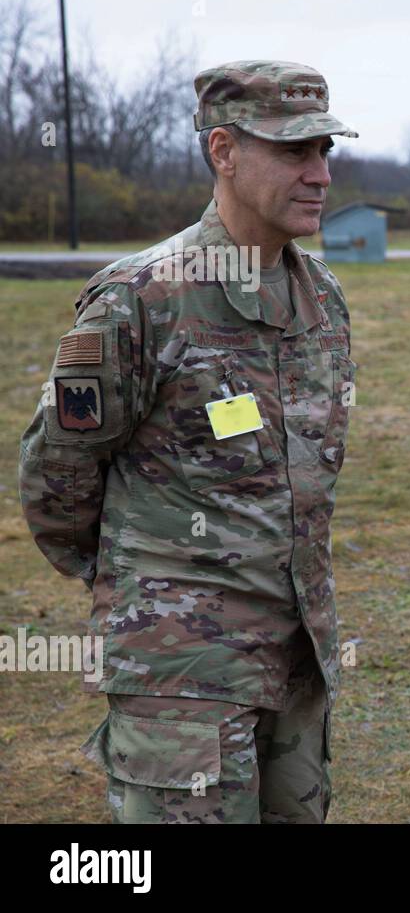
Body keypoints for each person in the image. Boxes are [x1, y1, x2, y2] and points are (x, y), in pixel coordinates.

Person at [18, 60, 358, 823]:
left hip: (296, 658)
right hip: (180, 675)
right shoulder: (143, 300)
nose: (318, 175)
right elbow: (57, 479)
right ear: (223, 151)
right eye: (293, 152)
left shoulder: (322, 299)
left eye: (323, 152)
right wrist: (147, 593)